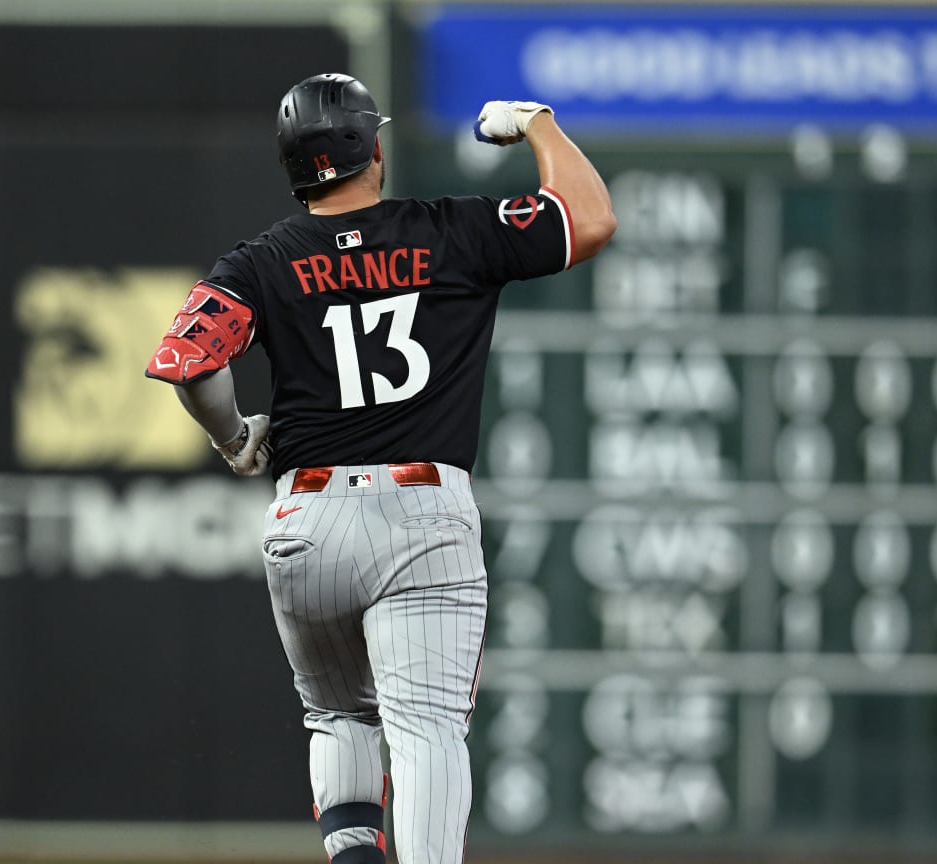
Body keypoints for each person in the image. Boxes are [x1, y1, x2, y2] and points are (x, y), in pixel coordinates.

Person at [145, 73, 614, 864]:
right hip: (420, 514)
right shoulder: (448, 231)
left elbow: (188, 360)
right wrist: (536, 123)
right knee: (425, 724)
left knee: (339, 717)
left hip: (307, 519)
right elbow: (589, 218)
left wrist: (231, 438)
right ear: (371, 146)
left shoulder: (262, 260)